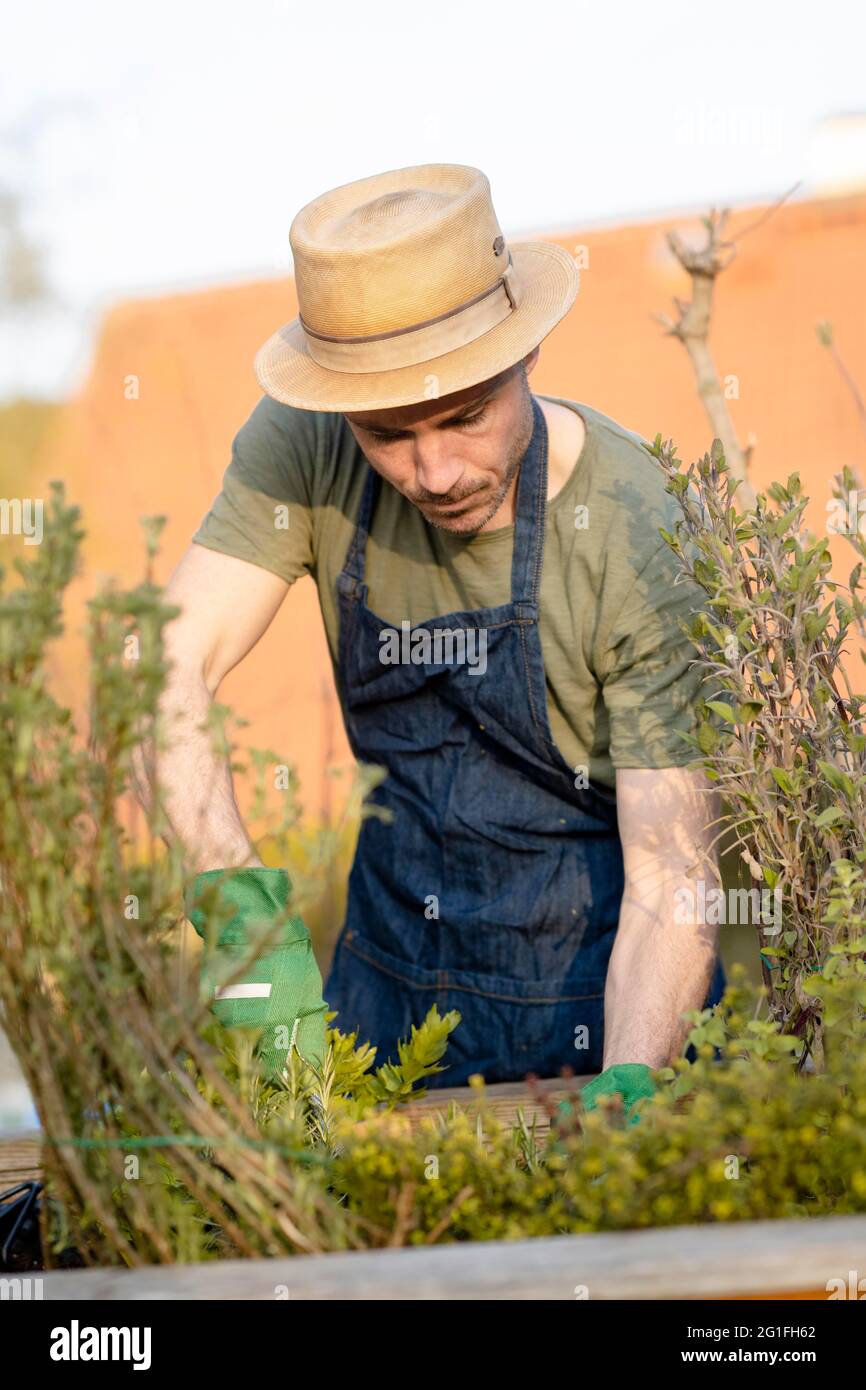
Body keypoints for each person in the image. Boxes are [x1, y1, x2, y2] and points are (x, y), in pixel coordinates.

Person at [159, 163, 725, 1112]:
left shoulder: (637, 526)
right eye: (386, 434)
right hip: (381, 996)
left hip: (597, 1003)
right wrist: (241, 928)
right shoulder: (304, 443)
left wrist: (630, 1082)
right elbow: (166, 668)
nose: (434, 470)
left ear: (525, 357)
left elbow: (675, 880)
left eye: (466, 415)